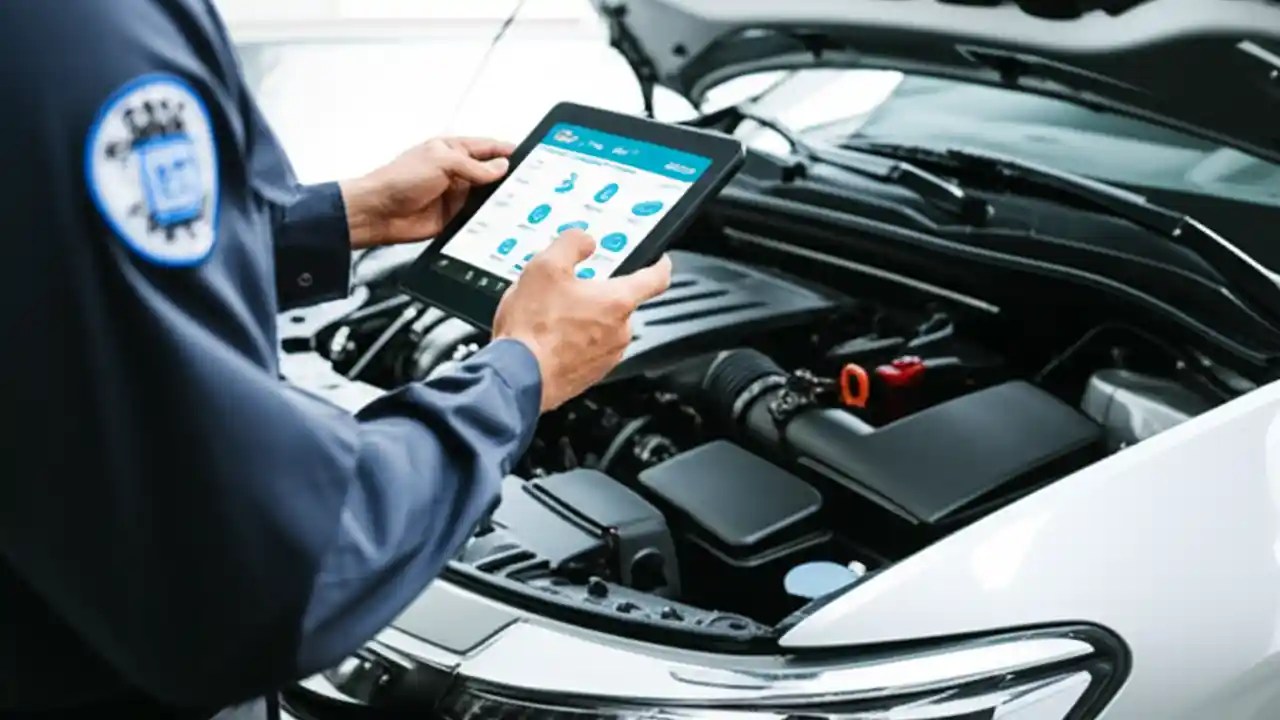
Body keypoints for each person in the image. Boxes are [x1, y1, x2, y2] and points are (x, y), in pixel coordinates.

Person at [0, 1, 672, 718]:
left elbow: (40, 256)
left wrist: (345, 217)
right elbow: (243, 583)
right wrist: (521, 371)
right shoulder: (81, 31)